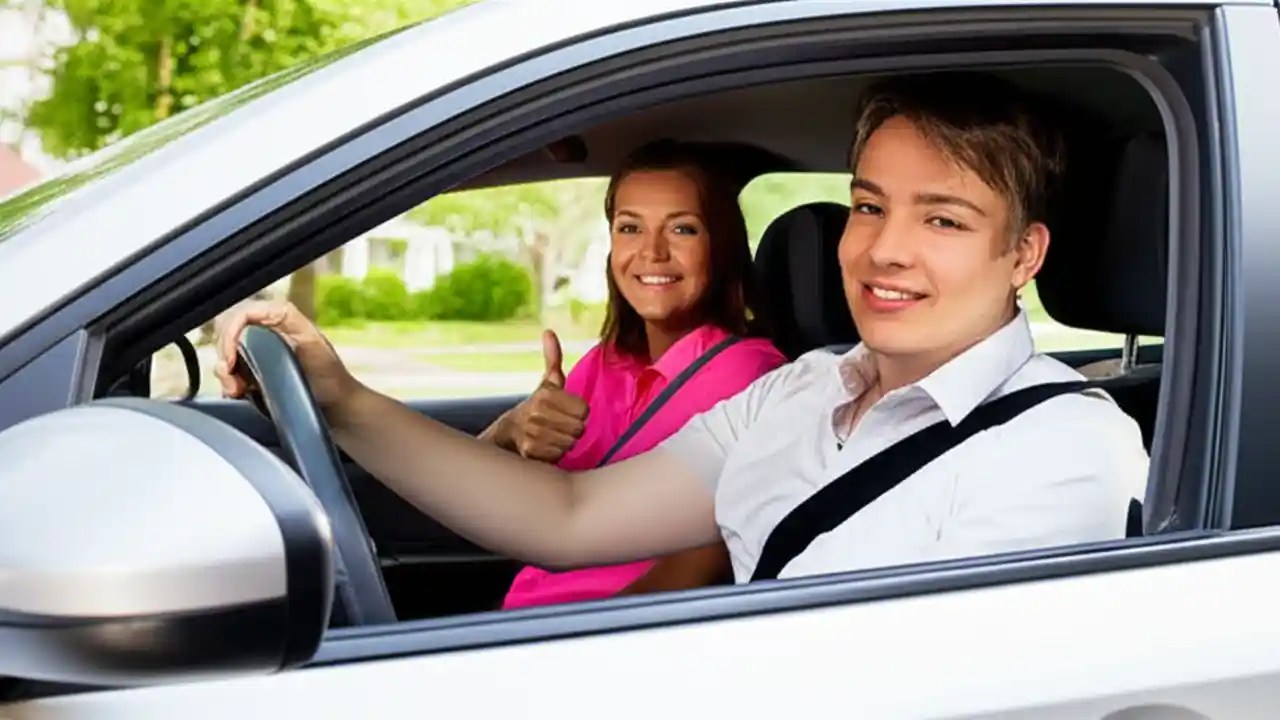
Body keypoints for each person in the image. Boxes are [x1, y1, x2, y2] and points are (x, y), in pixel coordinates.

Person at [216, 72, 1149, 588]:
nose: (883, 252)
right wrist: (339, 397)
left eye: (941, 220)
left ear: (1023, 254)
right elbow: (567, 518)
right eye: (868, 207)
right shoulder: (801, 389)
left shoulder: (1067, 445)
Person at [474, 140, 788, 608]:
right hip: (526, 617)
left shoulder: (752, 375)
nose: (652, 252)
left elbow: (711, 553)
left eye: (682, 229)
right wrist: (512, 430)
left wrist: (589, 637)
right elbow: (471, 494)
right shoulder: (604, 362)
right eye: (630, 228)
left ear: (720, 248)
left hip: (607, 638)